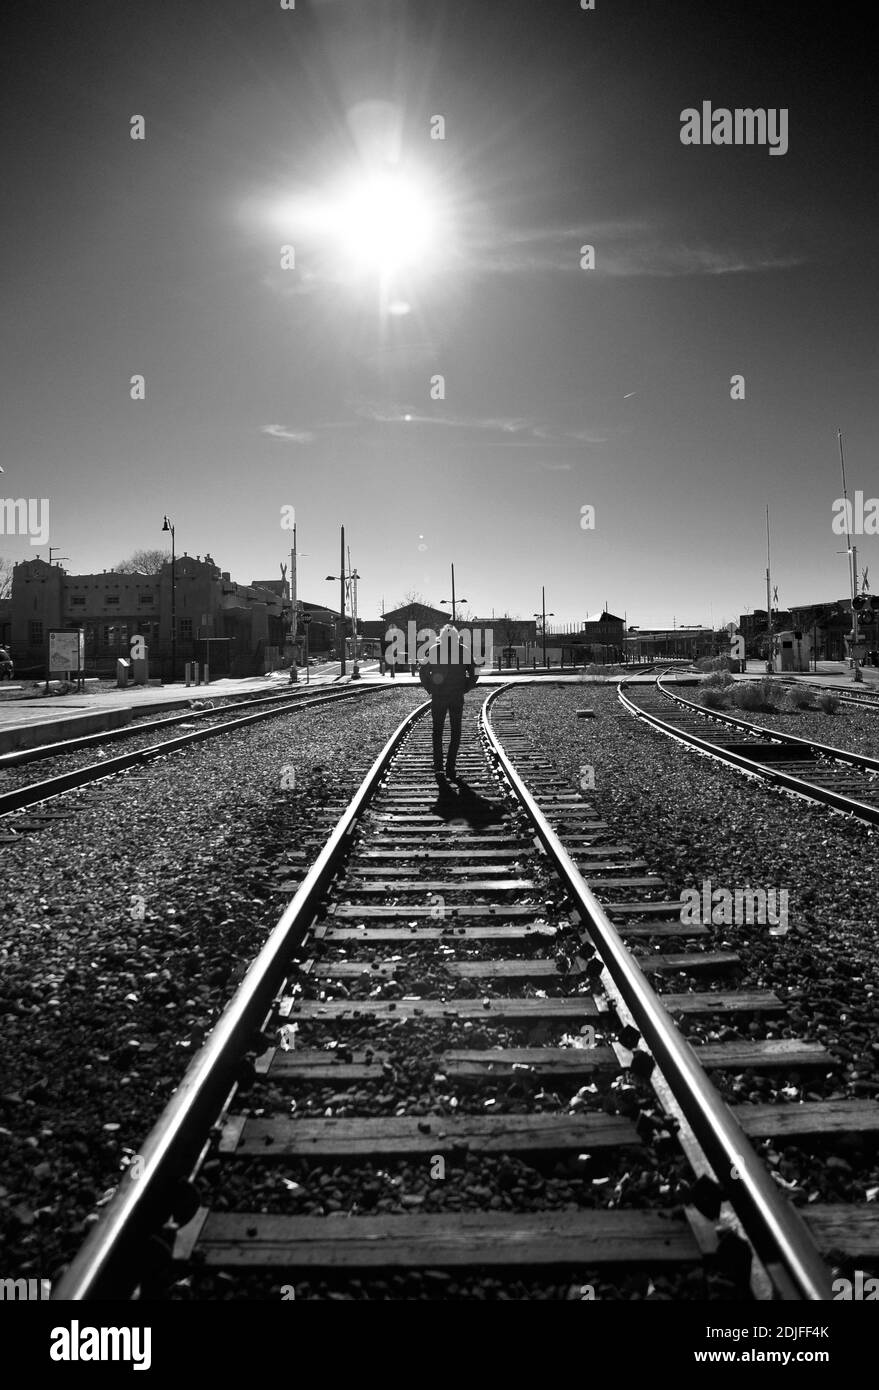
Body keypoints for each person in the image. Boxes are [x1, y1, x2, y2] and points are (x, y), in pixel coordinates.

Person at [418, 624, 479, 783]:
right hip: (456, 696)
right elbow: (474, 672)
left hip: (439, 696)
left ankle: (439, 768)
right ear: (456, 637)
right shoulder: (463, 650)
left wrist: (430, 688)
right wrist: (465, 688)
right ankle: (450, 766)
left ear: (442, 636)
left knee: (437, 732)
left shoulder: (434, 650)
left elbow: (422, 672)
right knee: (455, 731)